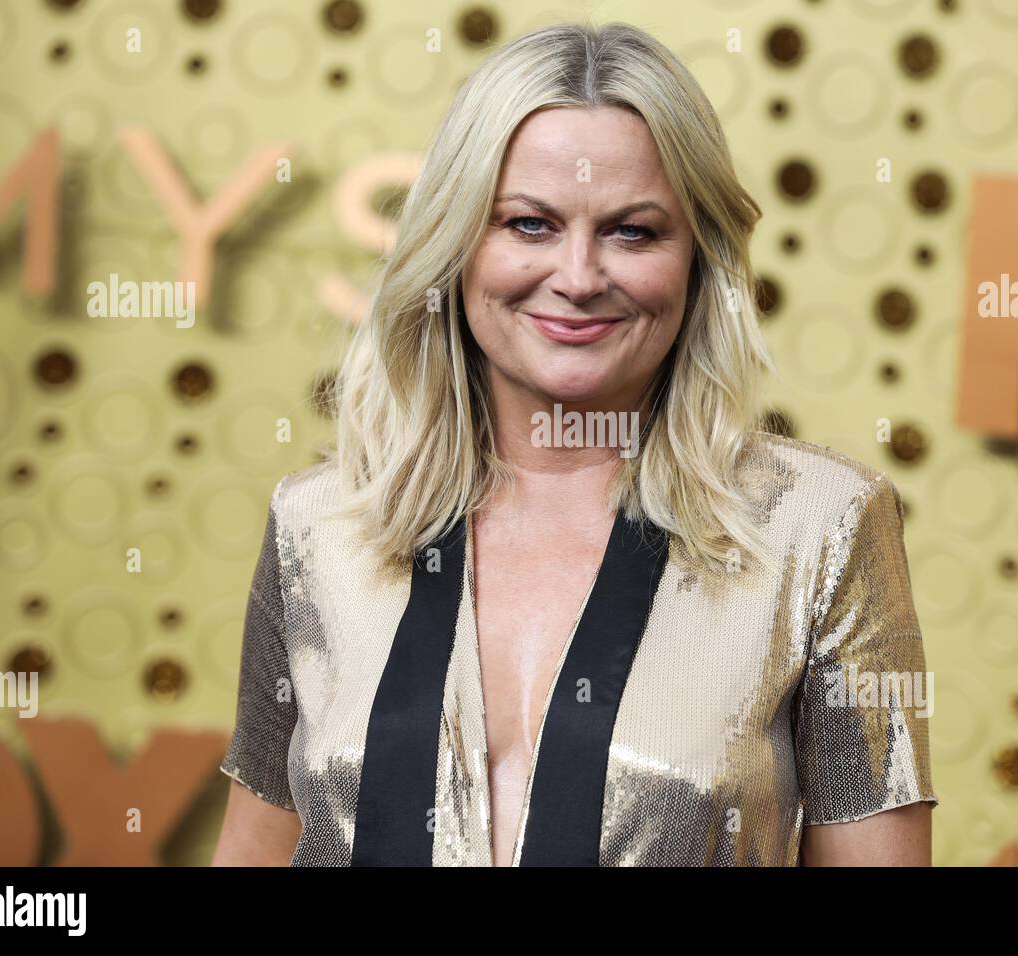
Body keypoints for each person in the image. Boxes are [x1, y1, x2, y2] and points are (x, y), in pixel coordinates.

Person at [212, 20, 936, 867]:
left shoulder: (821, 528)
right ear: (455, 243)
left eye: (633, 231)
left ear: (698, 262)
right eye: (528, 224)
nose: (581, 275)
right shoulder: (318, 525)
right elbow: (254, 852)